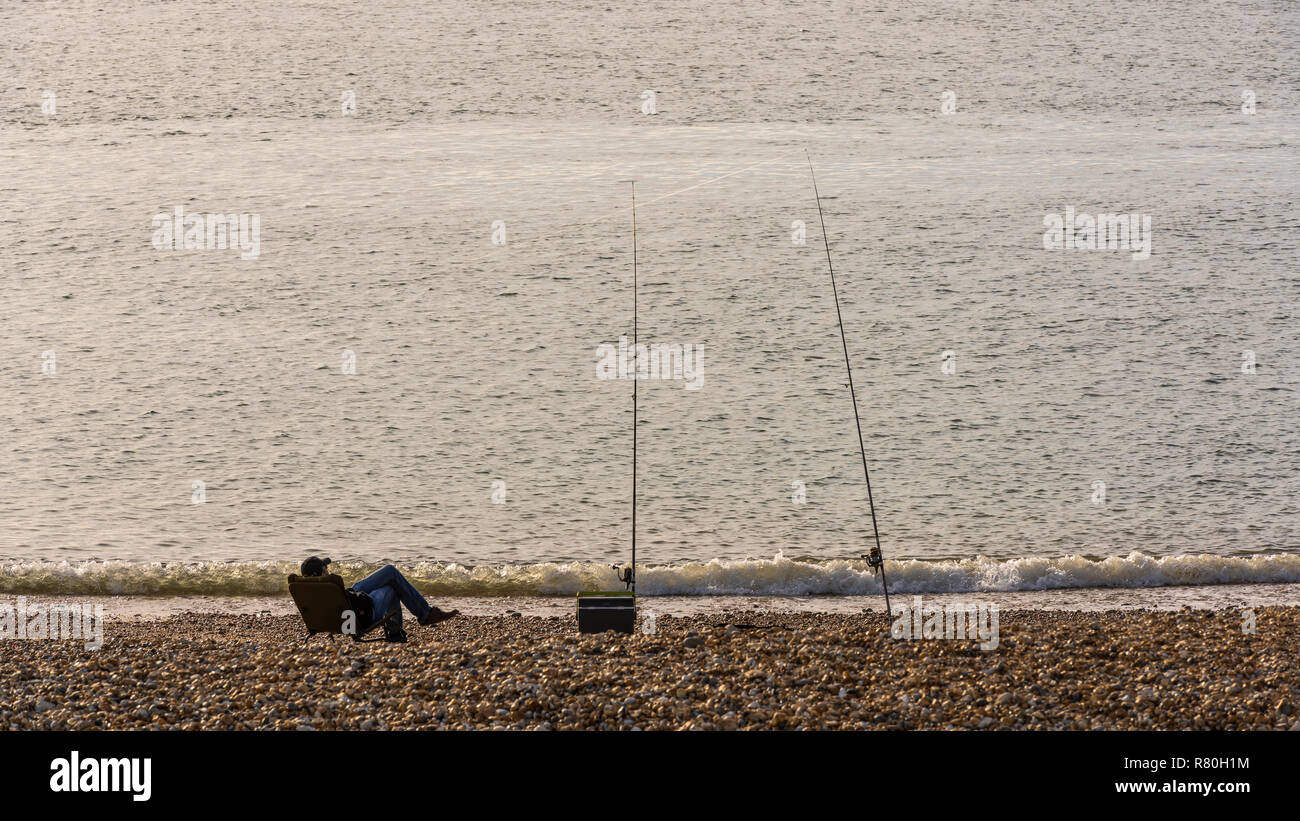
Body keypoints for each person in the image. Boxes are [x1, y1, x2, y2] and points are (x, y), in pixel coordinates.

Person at [300, 556, 457, 641]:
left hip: (349, 604)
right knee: (391, 581)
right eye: (325, 568)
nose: (327, 570)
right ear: (321, 574)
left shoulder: (309, 590)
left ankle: (416, 620)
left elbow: (337, 605)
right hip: (362, 613)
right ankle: (423, 615)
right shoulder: (330, 586)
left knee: (389, 573)